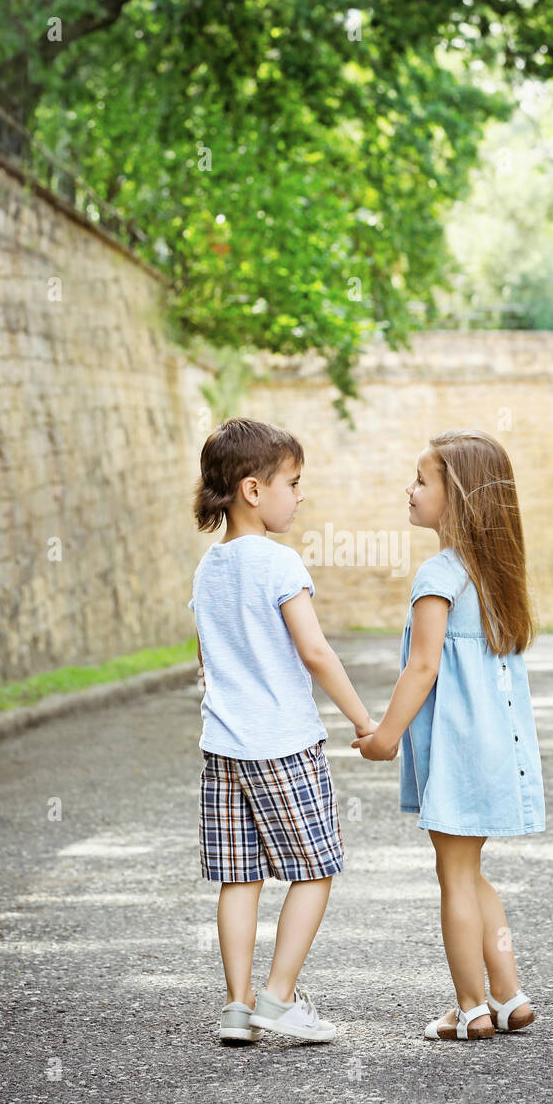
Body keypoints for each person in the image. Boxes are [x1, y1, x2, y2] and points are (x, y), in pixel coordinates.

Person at [188, 417, 392, 1045]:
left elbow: (205, 660)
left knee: (238, 875)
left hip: (222, 748)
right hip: (282, 743)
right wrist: (365, 722)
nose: (300, 495)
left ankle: (237, 1006)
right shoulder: (278, 563)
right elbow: (316, 653)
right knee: (315, 868)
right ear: (253, 490)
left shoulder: (207, 569)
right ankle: (278, 997)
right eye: (293, 483)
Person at [352, 429, 546, 1041]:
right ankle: (510, 995)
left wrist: (385, 734)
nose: (408, 490)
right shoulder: (496, 576)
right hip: (497, 752)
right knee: (471, 869)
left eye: (421, 480)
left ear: (457, 498)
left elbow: (423, 667)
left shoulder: (438, 573)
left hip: (459, 753)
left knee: (454, 876)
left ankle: (469, 1006)